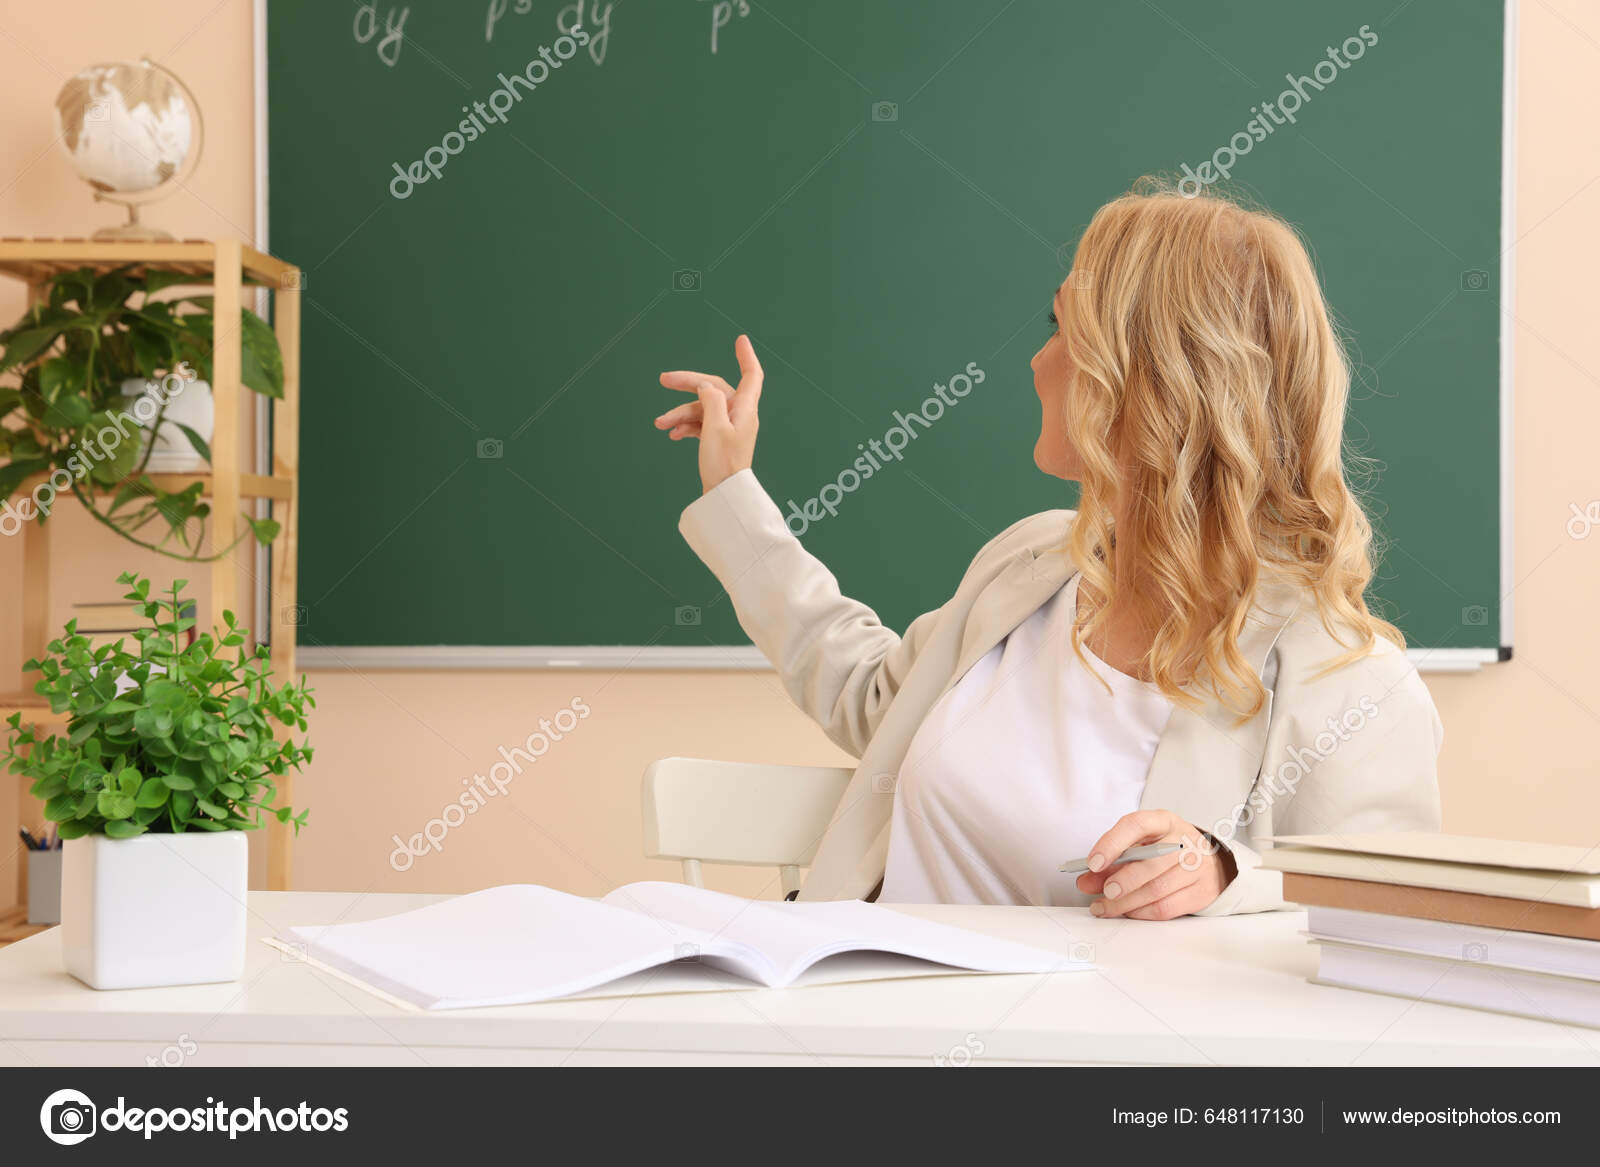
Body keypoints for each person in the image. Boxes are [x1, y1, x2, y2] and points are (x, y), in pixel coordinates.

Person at [653, 182, 1442, 919]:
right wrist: (735, 494)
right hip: (862, 1022)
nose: (1036, 362)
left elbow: (1387, 920)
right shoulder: (1024, 568)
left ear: (1145, 382)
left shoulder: (1350, 684)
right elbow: (870, 698)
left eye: (1060, 329)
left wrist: (1226, 874)